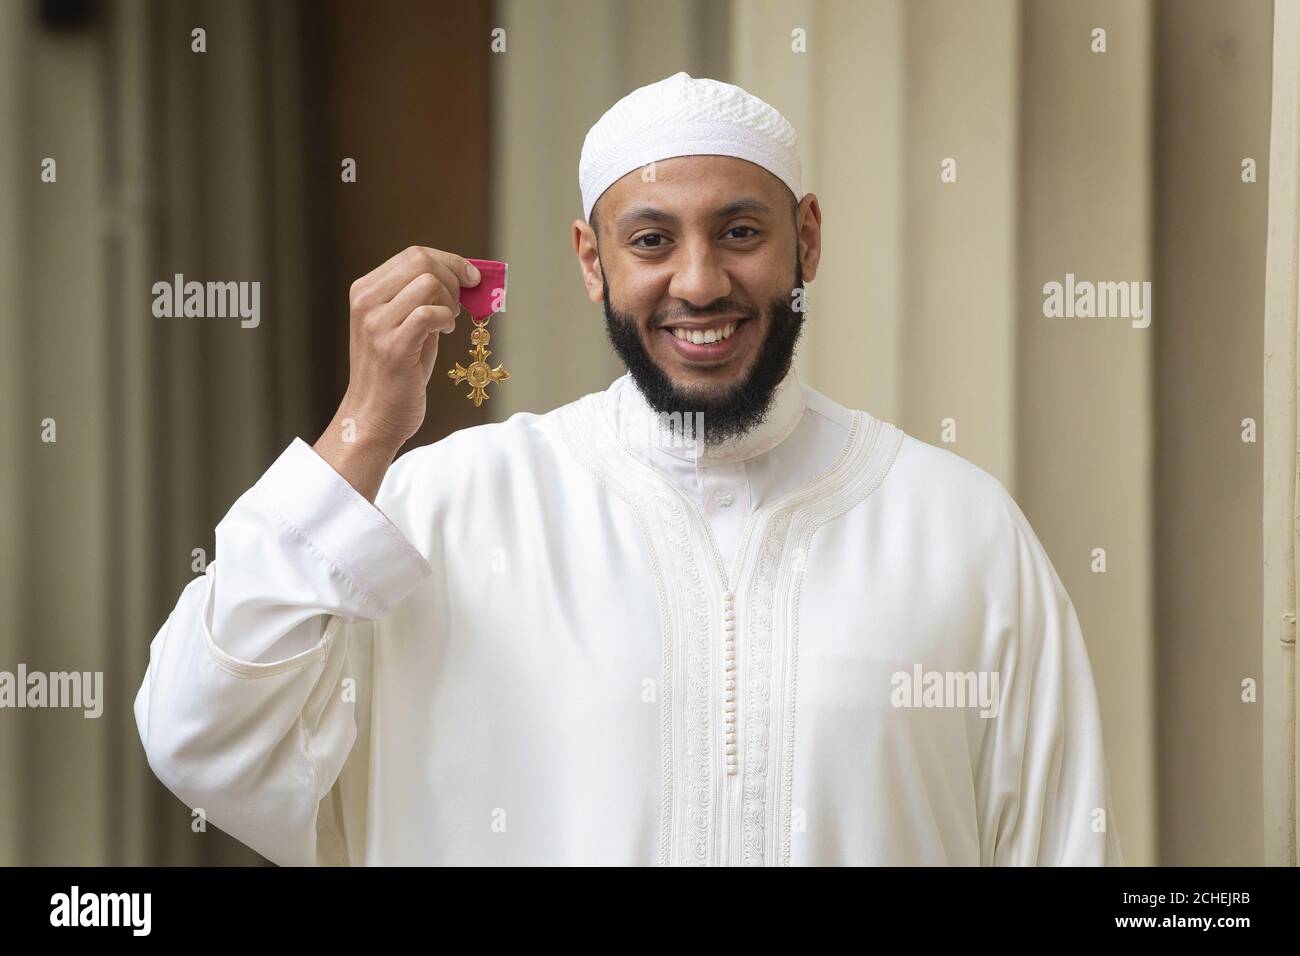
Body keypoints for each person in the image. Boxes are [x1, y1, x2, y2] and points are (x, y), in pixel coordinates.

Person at [134, 71, 1123, 866]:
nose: (698, 281)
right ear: (591, 260)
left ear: (804, 239)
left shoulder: (954, 526)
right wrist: (359, 430)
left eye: (739, 230)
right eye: (651, 240)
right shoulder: (444, 508)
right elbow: (197, 730)